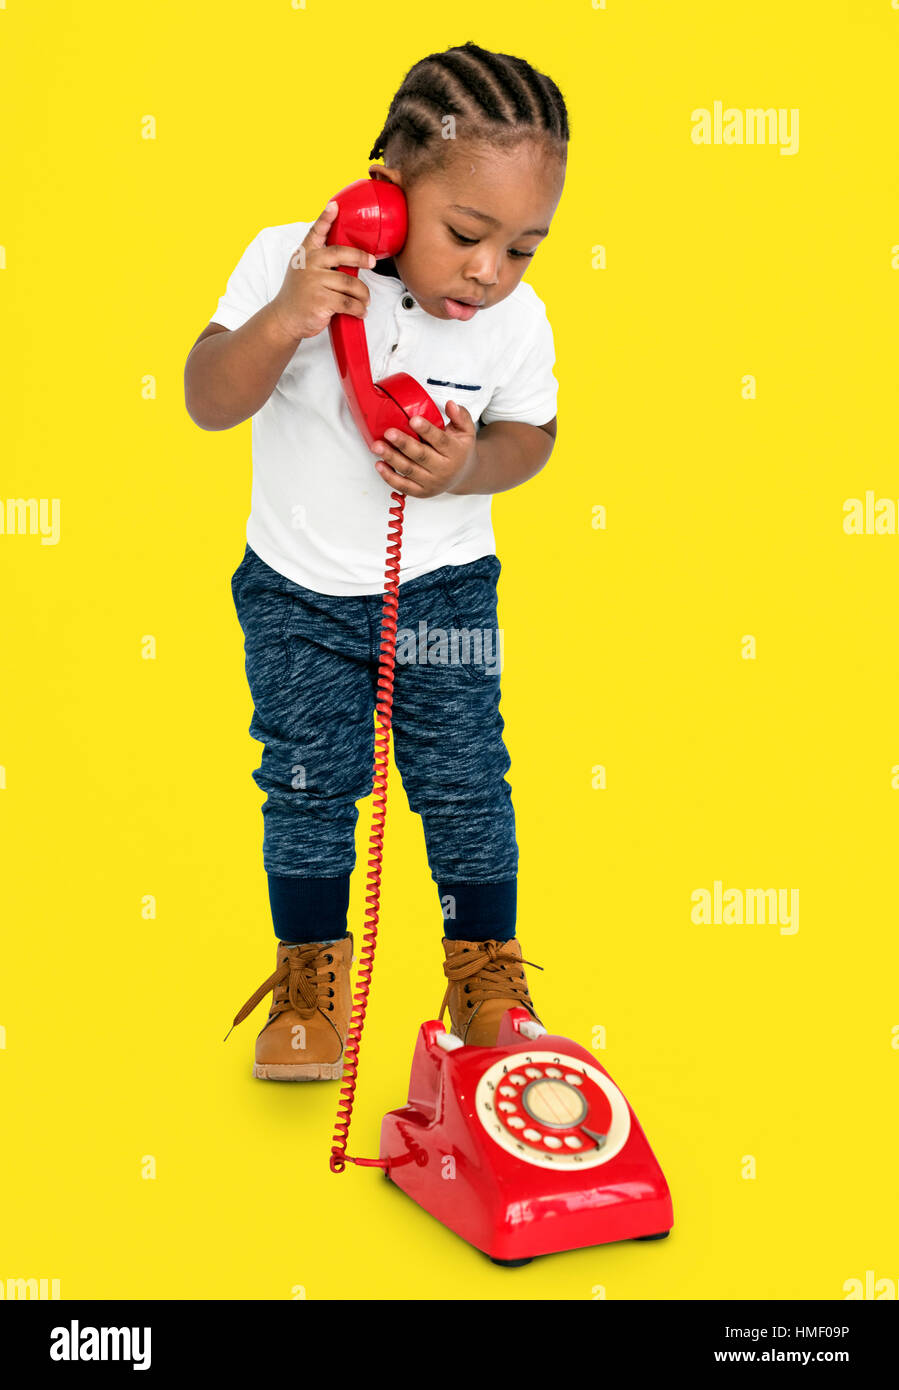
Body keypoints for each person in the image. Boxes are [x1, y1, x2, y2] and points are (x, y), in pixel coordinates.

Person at [184, 41, 568, 1080]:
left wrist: (463, 468)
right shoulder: (286, 259)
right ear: (384, 193)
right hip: (297, 593)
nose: (490, 272)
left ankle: (484, 970)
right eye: (465, 235)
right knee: (308, 784)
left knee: (462, 780)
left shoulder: (512, 323)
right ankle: (307, 976)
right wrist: (290, 314)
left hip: (439, 590)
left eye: (522, 249)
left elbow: (530, 437)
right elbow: (208, 397)